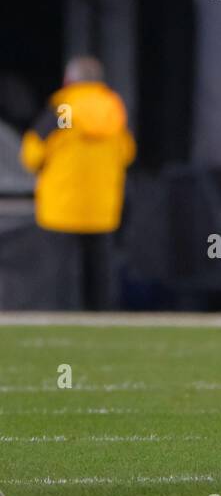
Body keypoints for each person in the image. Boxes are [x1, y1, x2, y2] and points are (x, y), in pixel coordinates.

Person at [20, 57, 136, 310]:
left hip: (62, 206)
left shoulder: (65, 109)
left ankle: (59, 318)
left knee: (58, 275)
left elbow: (33, 152)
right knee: (99, 275)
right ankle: (102, 321)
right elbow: (127, 152)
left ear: (68, 80)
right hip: (102, 206)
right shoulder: (112, 109)